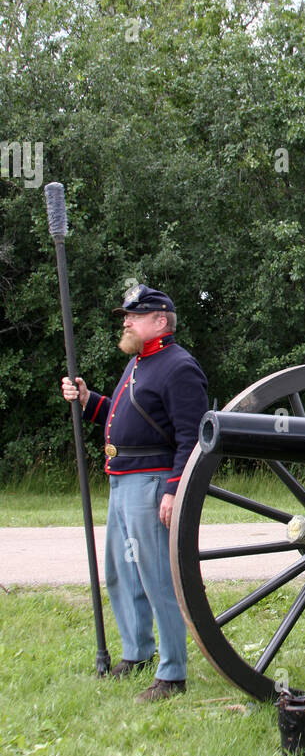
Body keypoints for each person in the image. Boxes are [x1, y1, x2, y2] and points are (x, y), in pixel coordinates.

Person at [61, 284, 208, 702]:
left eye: (134, 314)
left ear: (160, 320)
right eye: (126, 315)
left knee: (158, 578)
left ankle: (172, 672)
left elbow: (192, 436)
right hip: (122, 479)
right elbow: (122, 417)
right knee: (122, 574)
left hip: (153, 482)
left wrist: (175, 490)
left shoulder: (178, 367)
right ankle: (138, 652)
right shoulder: (140, 364)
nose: (125, 321)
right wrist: (89, 399)